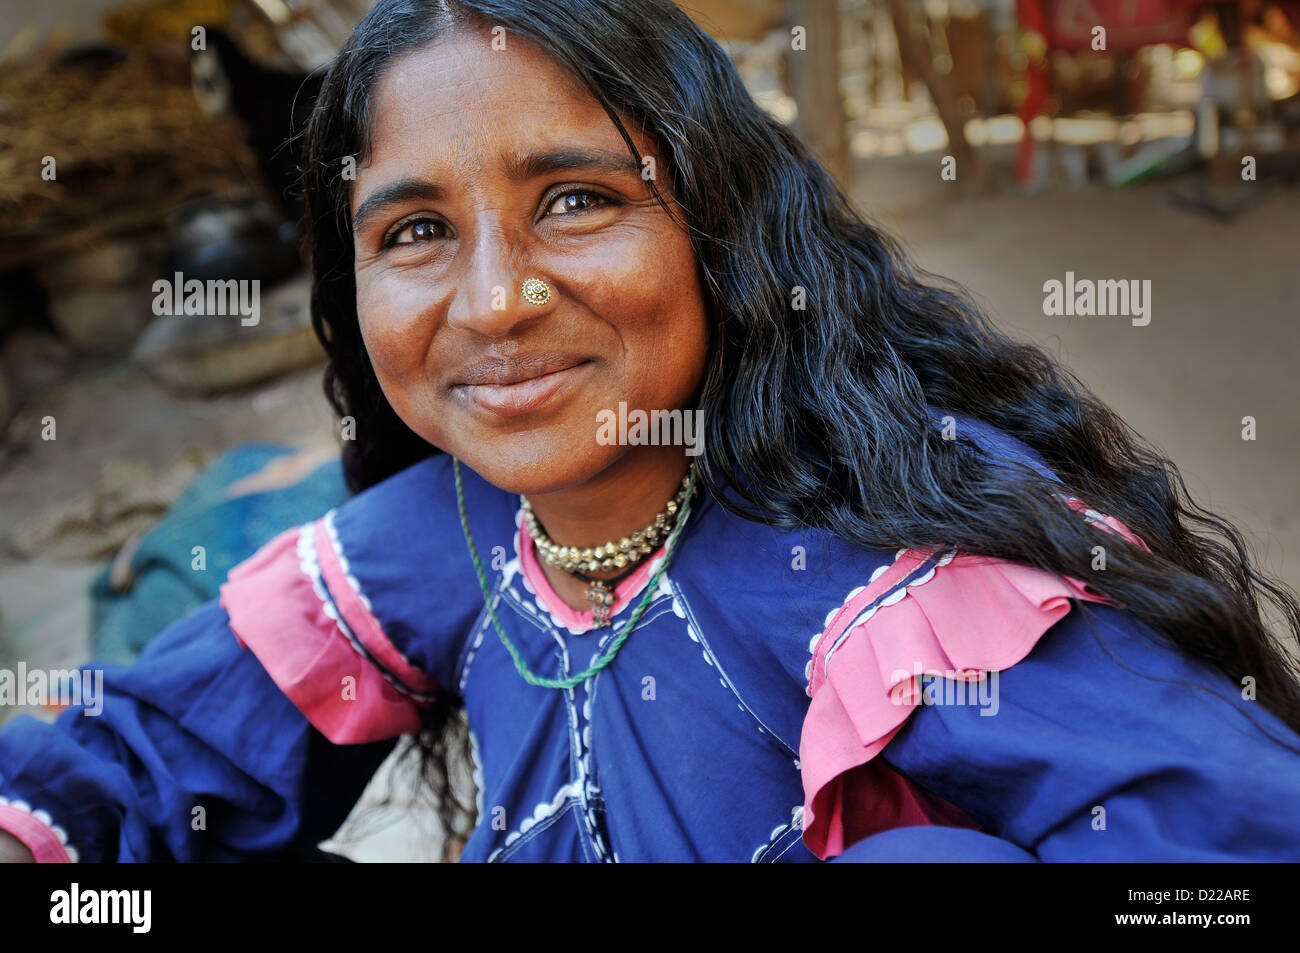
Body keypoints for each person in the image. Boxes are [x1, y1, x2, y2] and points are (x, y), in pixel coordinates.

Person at [3, 0, 1299, 863]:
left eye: (574, 198)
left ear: (717, 226)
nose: (495, 298)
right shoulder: (446, 531)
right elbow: (148, 746)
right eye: (413, 231)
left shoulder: (897, 557)